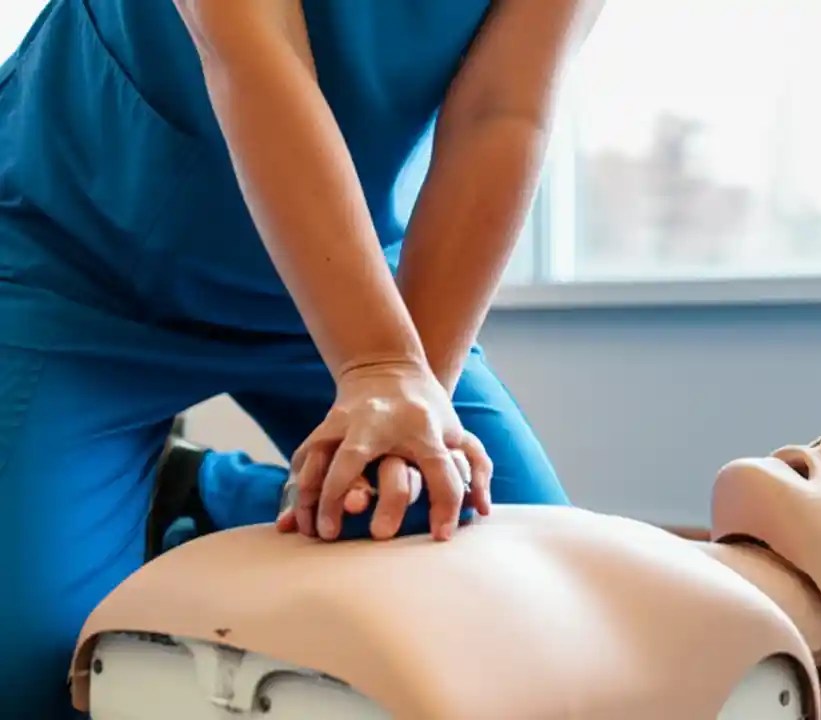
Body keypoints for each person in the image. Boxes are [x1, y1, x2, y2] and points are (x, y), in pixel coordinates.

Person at [0, 0, 601, 716]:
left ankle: (204, 498)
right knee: (35, 680)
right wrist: (379, 366)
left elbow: (503, 112)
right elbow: (254, 57)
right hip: (73, 264)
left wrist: (411, 398)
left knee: (537, 615)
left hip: (346, 286)